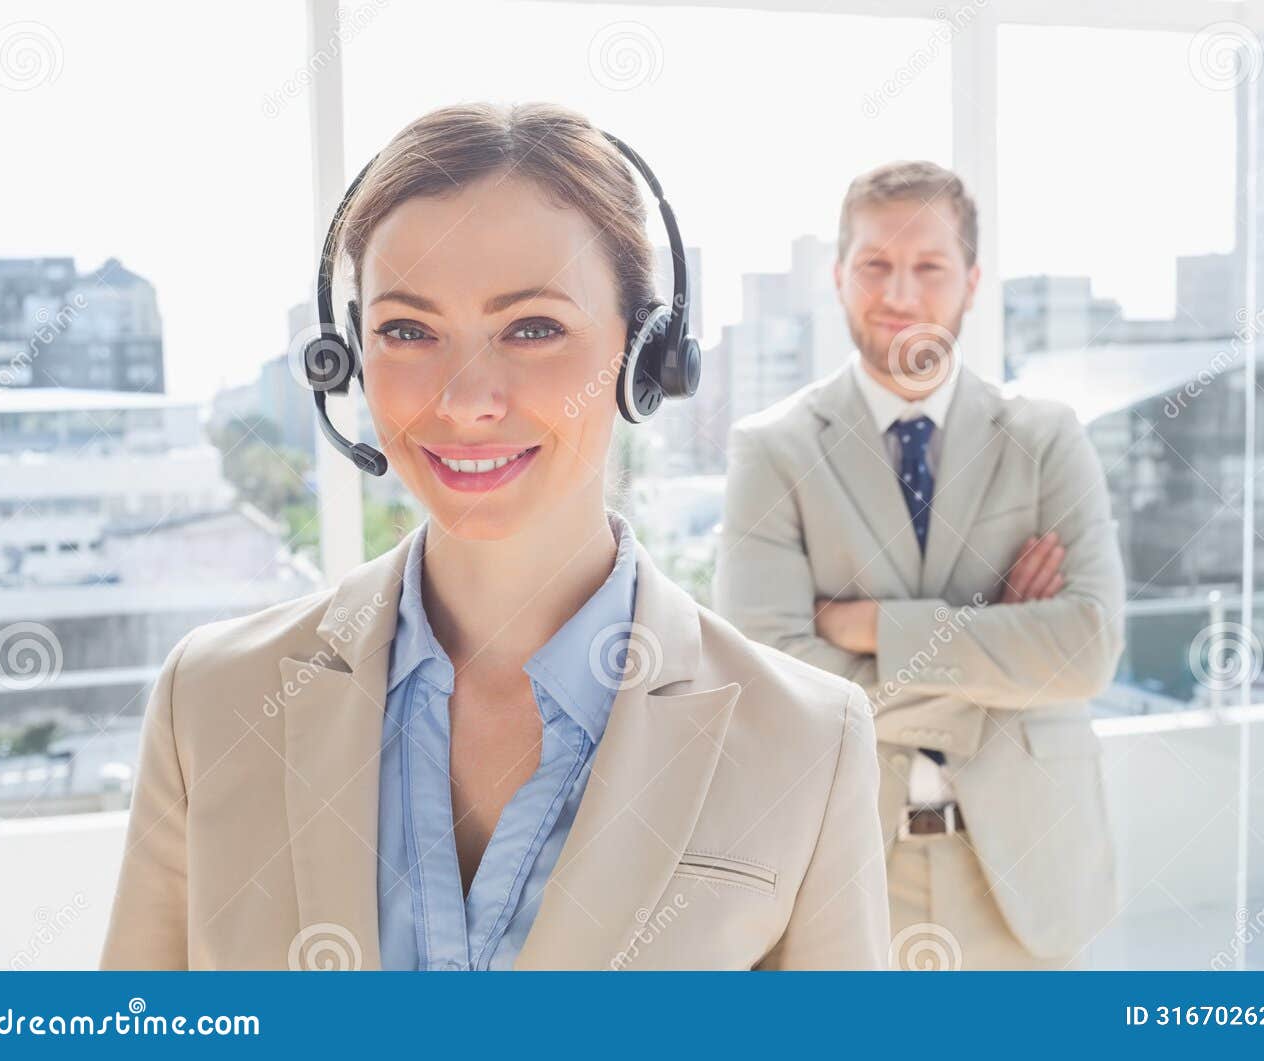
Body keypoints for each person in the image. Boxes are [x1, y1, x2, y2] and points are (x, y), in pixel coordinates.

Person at [100, 102, 887, 971]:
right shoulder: (211, 703)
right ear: (347, 358)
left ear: (645, 356)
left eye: (534, 327)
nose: (467, 398)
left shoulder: (806, 743)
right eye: (408, 330)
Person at [714, 160, 1126, 970]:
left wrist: (869, 628)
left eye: (929, 267)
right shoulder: (774, 451)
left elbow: (1086, 647)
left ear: (971, 282)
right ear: (838, 276)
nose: (900, 292)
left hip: (1026, 881)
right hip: (843, 879)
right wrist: (1000, 652)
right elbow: (773, 683)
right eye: (875, 264)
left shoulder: (1046, 439)